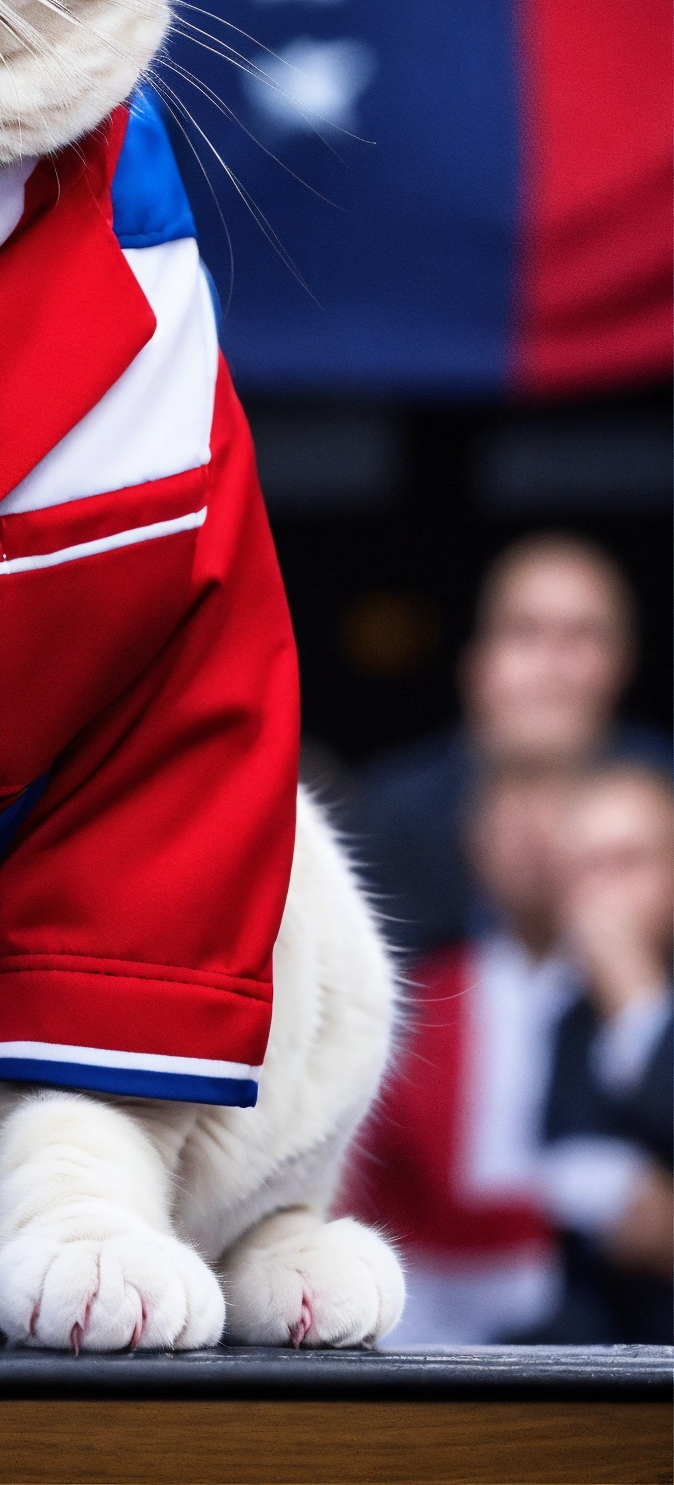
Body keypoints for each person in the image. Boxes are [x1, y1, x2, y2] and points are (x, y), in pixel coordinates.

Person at [345, 755, 581, 1344]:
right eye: (509, 819)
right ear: (471, 846)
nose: (533, 839)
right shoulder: (421, 995)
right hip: (422, 1299)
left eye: (558, 816)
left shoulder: (634, 995)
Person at [349, 536, 667, 958]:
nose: (551, 662)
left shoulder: (667, 791)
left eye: (582, 635)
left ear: (624, 662)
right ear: (478, 660)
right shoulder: (393, 813)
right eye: (524, 632)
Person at [534, 764, 673, 1341]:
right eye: (581, 872)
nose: (602, 893)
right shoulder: (573, 1017)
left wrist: (640, 1006)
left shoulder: (619, 996)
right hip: (609, 1339)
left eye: (626, 863)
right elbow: (567, 1159)